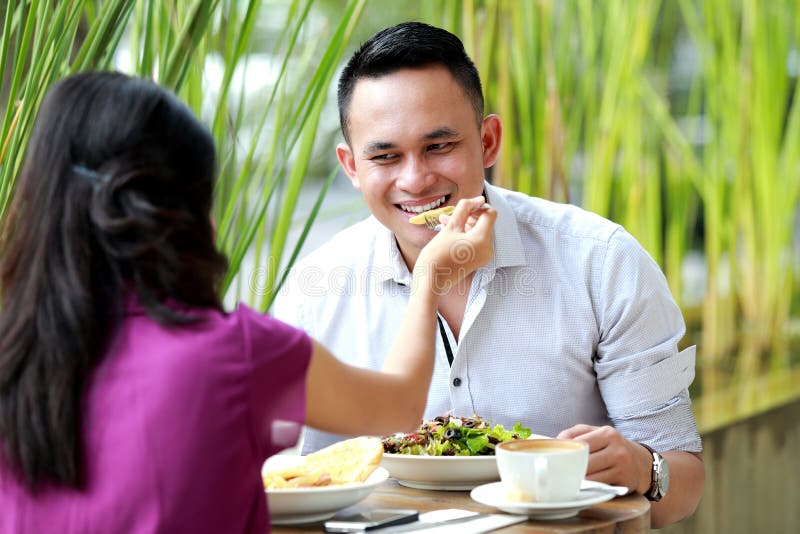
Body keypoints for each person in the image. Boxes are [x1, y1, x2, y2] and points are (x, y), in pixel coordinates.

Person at [0, 72, 497, 533]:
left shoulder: (13, 352)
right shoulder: (238, 353)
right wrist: (431, 272)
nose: (414, 179)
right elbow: (398, 408)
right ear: (191, 214)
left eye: (438, 146)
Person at [273, 22, 704, 528]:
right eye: (385, 156)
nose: (415, 180)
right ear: (351, 166)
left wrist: (643, 467)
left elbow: (684, 485)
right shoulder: (313, 290)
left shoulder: (601, 261)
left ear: (488, 140)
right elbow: (280, 473)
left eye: (439, 147)